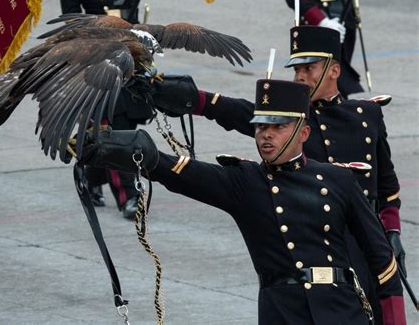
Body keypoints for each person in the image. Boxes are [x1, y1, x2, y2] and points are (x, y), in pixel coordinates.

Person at [81, 79, 406, 324]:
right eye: (260, 126)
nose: (265, 134)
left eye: (277, 127)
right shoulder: (245, 182)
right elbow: (178, 171)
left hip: (342, 309)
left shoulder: (339, 180)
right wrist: (137, 153)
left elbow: (382, 262)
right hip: (283, 311)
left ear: (303, 134)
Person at [148, 25, 407, 323]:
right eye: (296, 69)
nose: (300, 76)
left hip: (364, 238)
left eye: (309, 68)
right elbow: (240, 112)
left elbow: (387, 184)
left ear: (334, 70)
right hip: (318, 241)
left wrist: (393, 232)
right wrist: (195, 99)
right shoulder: (291, 120)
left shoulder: (367, 114)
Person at [58, 0, 156, 218]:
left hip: (128, 42)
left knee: (127, 116)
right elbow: (71, 13)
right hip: (95, 47)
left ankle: (91, 175)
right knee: (106, 120)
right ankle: (128, 196)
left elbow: (128, 7)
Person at [276, 0, 363, 97]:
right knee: (316, 78)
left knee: (337, 74)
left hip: (342, 15)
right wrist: (321, 20)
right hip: (314, 21)